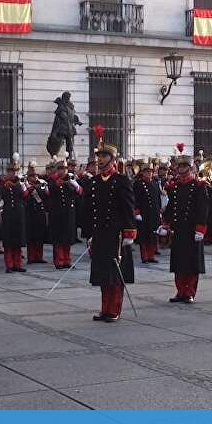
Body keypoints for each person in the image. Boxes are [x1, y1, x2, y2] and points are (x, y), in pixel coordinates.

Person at [83, 128, 136, 322]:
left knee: (115, 275)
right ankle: (105, 309)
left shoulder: (121, 181)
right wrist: (89, 234)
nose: (101, 159)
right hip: (100, 234)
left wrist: (129, 233)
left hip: (117, 235)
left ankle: (114, 310)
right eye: (99, 156)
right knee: (103, 275)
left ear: (113, 159)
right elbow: (90, 210)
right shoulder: (95, 182)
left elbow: (128, 208)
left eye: (105, 156)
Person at [160, 146, 207, 303]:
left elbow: (203, 209)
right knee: (179, 262)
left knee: (192, 263)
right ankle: (180, 291)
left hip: (192, 229)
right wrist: (165, 224)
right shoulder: (175, 187)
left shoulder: (199, 186)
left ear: (190, 167)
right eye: (179, 166)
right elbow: (171, 208)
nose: (181, 169)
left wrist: (200, 229)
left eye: (184, 166)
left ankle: (190, 292)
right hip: (179, 229)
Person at [47, 156, 82, 268]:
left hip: (69, 213)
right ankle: (59, 261)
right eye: (61, 168)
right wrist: (58, 183)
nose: (63, 171)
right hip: (57, 213)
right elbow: (49, 192)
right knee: (58, 238)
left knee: (68, 238)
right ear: (57, 169)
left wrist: (75, 185)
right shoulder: (52, 180)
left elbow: (80, 192)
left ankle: (67, 260)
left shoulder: (71, 179)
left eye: (65, 168)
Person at [0, 154, 28, 273]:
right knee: (9, 241)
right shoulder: (3, 182)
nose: (14, 174)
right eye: (11, 171)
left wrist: (20, 184)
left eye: (15, 171)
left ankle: (18, 264)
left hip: (18, 213)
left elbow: (25, 195)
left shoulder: (20, 183)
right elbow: (2, 194)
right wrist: (9, 185)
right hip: (8, 214)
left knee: (18, 240)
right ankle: (9, 265)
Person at [133, 160, 163, 263]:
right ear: (142, 172)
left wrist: (159, 210)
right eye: (146, 171)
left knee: (153, 235)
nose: (149, 173)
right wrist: (137, 212)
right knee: (144, 236)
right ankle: (145, 256)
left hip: (154, 213)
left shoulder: (155, 183)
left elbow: (158, 198)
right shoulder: (138, 184)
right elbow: (135, 199)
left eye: (150, 171)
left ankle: (151, 255)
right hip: (144, 213)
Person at [24, 161, 50, 264]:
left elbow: (47, 196)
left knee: (40, 236)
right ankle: (31, 257)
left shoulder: (41, 184)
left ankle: (39, 256)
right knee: (31, 237)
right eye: (31, 176)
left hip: (40, 213)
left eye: (35, 176)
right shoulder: (25, 185)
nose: (34, 178)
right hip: (30, 213)